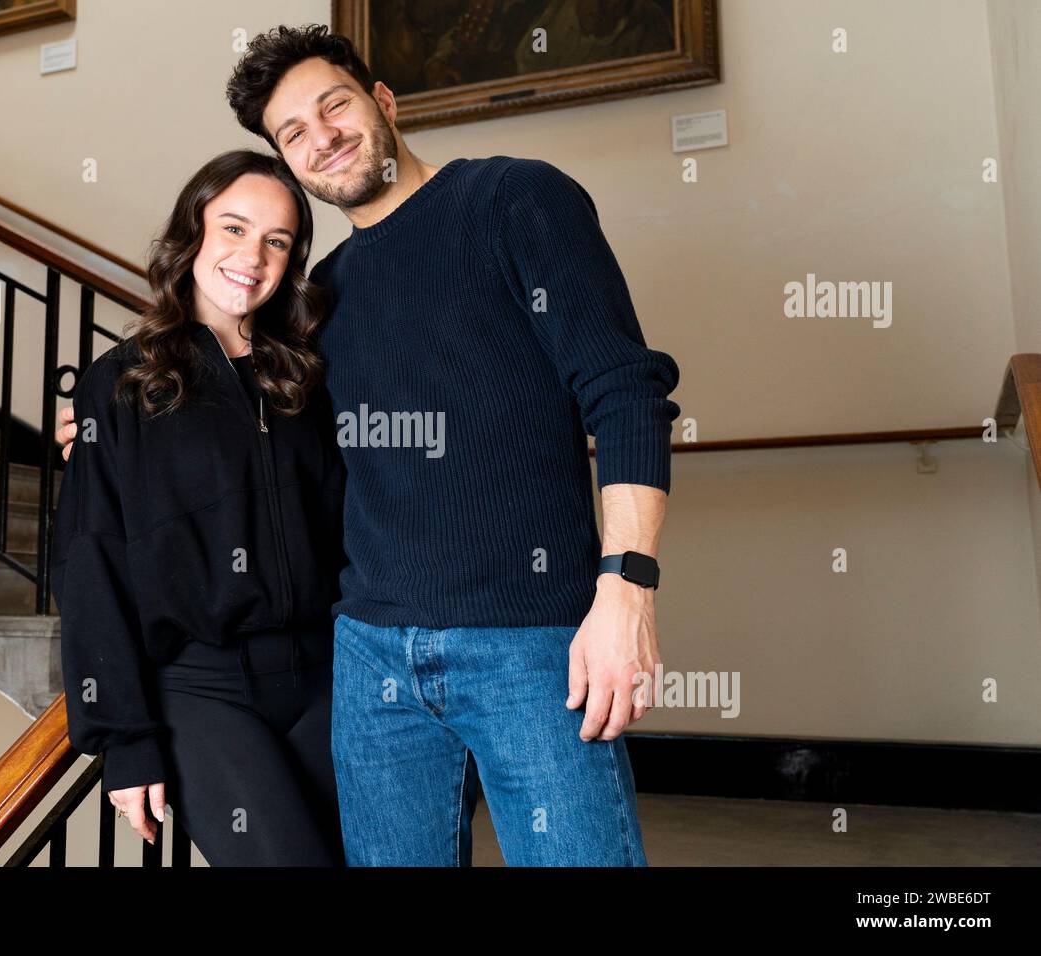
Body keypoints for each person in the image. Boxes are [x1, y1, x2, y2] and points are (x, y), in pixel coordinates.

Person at [59, 24, 681, 866]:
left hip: (530, 642)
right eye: (293, 132)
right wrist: (110, 439)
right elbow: (259, 454)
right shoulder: (327, 301)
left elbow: (627, 393)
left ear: (383, 101)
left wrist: (626, 590)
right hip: (370, 660)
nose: (323, 136)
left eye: (335, 105)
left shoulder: (514, 201)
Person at [50, 149, 347, 866]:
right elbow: (91, 563)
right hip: (201, 688)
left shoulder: (311, 372)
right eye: (235, 229)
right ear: (193, 235)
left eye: (277, 241)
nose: (254, 255)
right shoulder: (121, 383)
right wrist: (124, 741)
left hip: (329, 676)